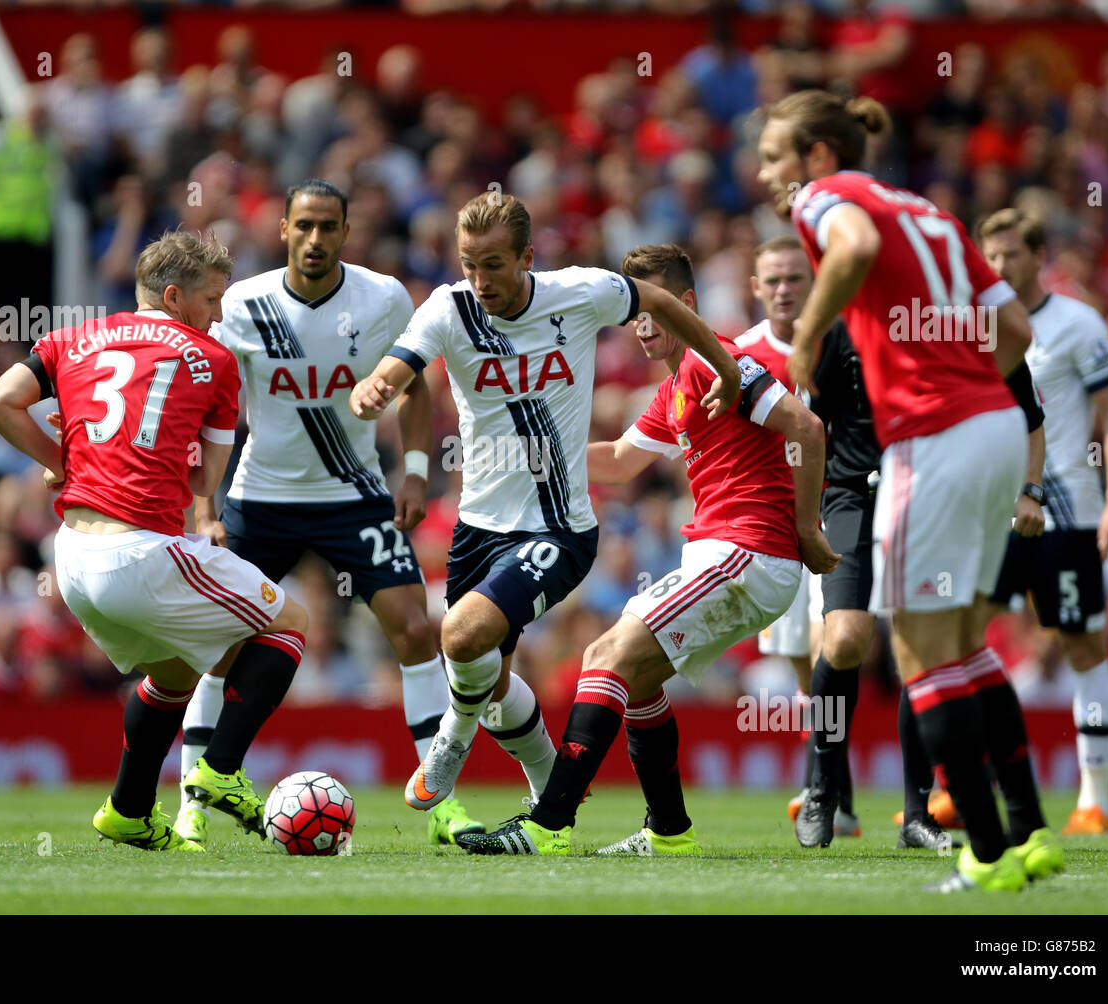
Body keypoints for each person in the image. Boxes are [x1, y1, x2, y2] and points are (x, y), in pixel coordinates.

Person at [351, 196, 746, 816]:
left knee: (460, 634)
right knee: (495, 681)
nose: (480, 281)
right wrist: (378, 384)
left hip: (560, 527)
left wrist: (725, 368)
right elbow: (402, 365)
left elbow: (663, 303)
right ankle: (548, 782)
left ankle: (451, 738)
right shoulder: (450, 308)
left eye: (494, 264)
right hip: (478, 525)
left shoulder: (580, 292)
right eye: (468, 264)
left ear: (527, 258)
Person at [766, 90, 1061, 891]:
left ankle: (987, 855)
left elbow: (851, 247)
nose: (765, 175)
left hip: (932, 440)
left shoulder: (832, 200)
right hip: (996, 429)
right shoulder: (928, 210)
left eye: (773, 158)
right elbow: (1018, 335)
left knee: (915, 649)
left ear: (817, 158)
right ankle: (1028, 834)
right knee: (962, 642)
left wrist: (804, 337)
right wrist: (962, 386)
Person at [453, 242, 836, 855]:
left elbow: (807, 426)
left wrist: (809, 527)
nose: (643, 324)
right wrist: (521, 458)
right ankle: (670, 832)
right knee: (636, 681)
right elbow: (622, 462)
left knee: (604, 654)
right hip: (724, 557)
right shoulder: (678, 383)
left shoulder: (722, 363)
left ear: (687, 304)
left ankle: (548, 824)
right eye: (635, 313)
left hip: (746, 553)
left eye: (655, 310)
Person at [176, 179, 482, 847]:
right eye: (304, 226)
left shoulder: (383, 298)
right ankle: (192, 801)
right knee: (222, 647)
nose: (316, 240)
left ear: (347, 232)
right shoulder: (243, 305)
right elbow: (211, 411)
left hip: (356, 498)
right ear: (282, 228)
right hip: (260, 501)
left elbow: (416, 389)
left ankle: (441, 804)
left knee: (413, 629)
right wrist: (207, 507)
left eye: (328, 227)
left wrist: (417, 473)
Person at [0, 231, 308, 852]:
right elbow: (206, 481)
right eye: (212, 299)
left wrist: (64, 461)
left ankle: (128, 811)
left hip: (74, 556)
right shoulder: (213, 360)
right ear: (176, 294)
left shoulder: (70, 340)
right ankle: (221, 769)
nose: (218, 315)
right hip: (139, 552)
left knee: (176, 672)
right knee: (292, 621)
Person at [980, 208, 1108, 836]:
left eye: (1012, 254)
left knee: (1082, 644)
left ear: (1039, 255)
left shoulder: (1077, 323)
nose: (999, 267)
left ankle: (1093, 799)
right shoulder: (973, 326)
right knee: (959, 637)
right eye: (990, 256)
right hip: (990, 508)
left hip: (1067, 508)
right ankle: (952, 787)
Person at [735, 236, 859, 844]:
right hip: (770, 525)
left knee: (829, 643)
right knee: (801, 668)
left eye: (795, 279)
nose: (784, 289)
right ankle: (843, 790)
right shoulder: (743, 353)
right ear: (756, 287)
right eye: (773, 280)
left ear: (813, 286)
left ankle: (823, 789)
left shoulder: (838, 343)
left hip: (835, 514)